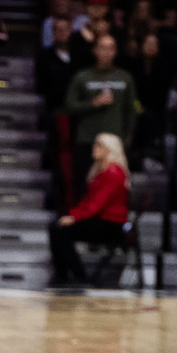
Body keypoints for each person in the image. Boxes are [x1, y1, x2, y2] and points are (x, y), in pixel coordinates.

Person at [62, 33, 137, 201]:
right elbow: (69, 106)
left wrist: (127, 138)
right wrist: (93, 103)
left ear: (115, 52)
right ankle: (83, 223)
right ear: (95, 50)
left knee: (113, 190)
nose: (106, 52)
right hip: (87, 141)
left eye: (110, 48)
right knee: (84, 188)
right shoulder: (82, 77)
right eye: (102, 47)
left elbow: (131, 111)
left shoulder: (125, 78)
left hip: (114, 144)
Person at [50, 133, 130, 285]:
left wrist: (73, 218)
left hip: (110, 224)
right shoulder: (100, 171)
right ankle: (64, 274)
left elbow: (96, 204)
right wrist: (73, 215)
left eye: (98, 145)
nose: (94, 148)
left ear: (108, 149)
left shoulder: (113, 172)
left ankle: (77, 275)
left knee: (59, 232)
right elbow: (88, 201)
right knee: (57, 228)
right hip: (99, 219)